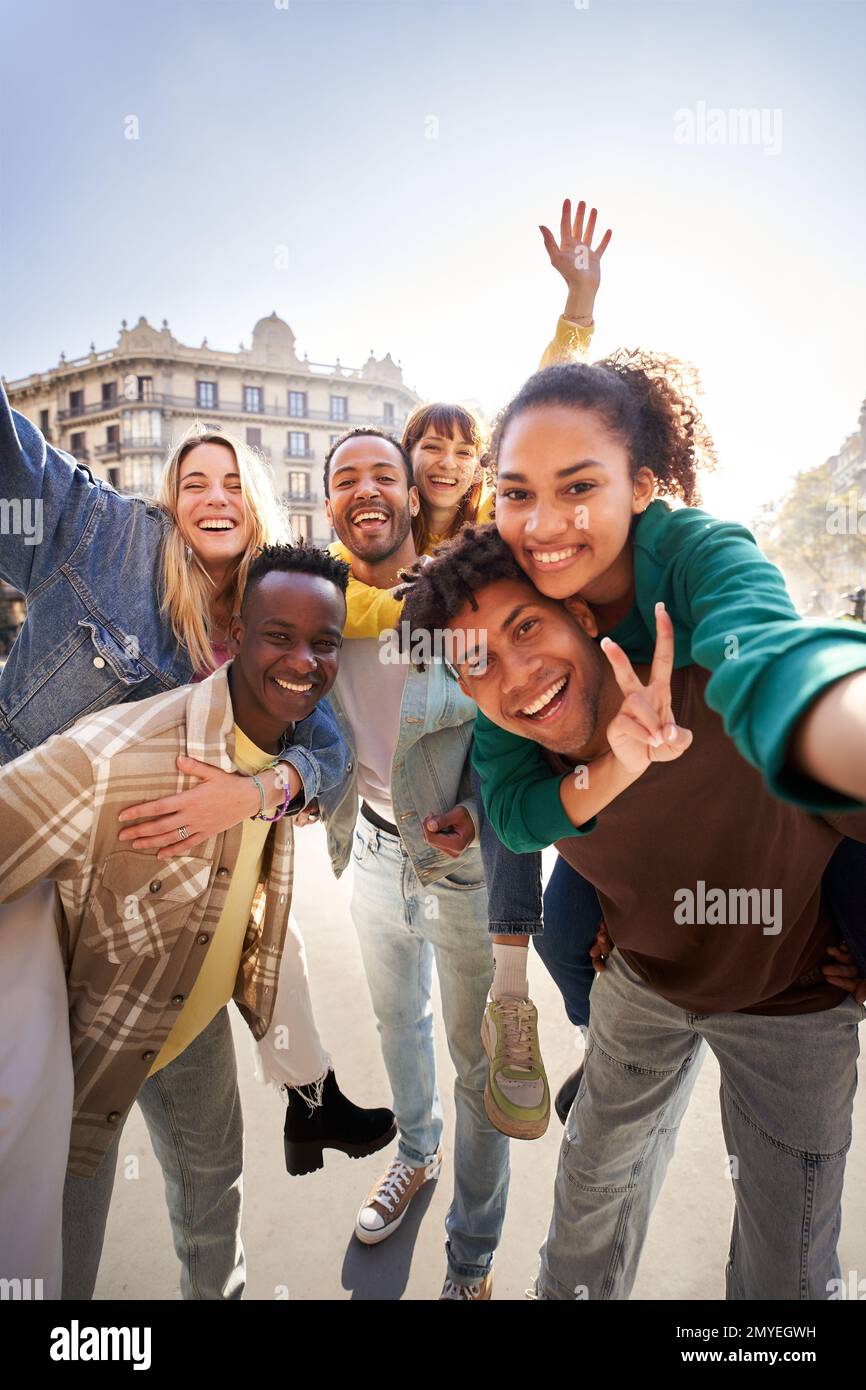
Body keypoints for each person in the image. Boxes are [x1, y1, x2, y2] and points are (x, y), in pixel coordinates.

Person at [400, 524, 866, 1299]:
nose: (517, 674)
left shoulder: (717, 680)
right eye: (477, 662)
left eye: (526, 627)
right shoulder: (506, 731)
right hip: (641, 986)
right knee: (584, 1218)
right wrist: (621, 764)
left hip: (793, 1000)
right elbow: (515, 823)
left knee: (787, 1274)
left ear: (582, 615)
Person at [0, 393, 351, 1296]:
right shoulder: (104, 536)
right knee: (54, 1171)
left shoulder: (272, 607)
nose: (213, 495)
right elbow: (18, 465)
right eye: (193, 481)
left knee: (210, 1174)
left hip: (174, 937)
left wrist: (258, 789)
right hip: (42, 916)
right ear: (167, 497)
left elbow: (329, 743)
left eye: (234, 479)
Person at [469, 350, 866, 1110]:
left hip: (764, 804)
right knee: (568, 937)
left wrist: (805, 700)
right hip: (632, 838)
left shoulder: (694, 547)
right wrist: (614, 770)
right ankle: (602, 1043)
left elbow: (757, 639)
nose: (545, 522)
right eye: (518, 493)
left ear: (642, 486)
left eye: (580, 488)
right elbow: (517, 814)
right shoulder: (509, 604)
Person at [328, 196, 611, 1137]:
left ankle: (519, 991)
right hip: (411, 792)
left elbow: (538, 409)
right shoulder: (375, 557)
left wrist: (577, 307)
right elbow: (350, 610)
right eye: (431, 450)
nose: (448, 463)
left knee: (502, 786)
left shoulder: (490, 521)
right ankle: (427, 1133)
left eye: (461, 450)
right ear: (408, 473)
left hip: (491, 735)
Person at [315, 426, 512, 1299]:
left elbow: (507, 729)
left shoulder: (453, 597)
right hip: (369, 853)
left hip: (460, 869)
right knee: (400, 1028)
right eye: (344, 477)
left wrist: (472, 813)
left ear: (410, 494)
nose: (365, 489)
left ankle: (471, 1257)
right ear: (328, 503)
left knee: (479, 1063)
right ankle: (415, 1155)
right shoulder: (311, 599)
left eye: (381, 474)